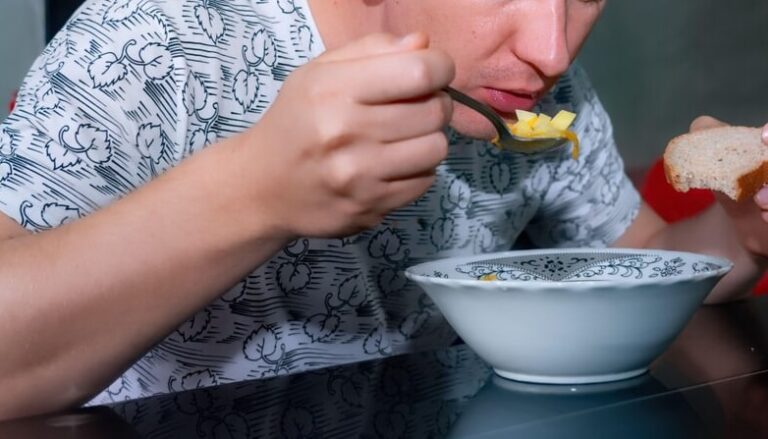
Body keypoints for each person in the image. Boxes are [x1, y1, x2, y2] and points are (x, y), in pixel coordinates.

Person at [0, 0, 765, 421]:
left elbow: (644, 252)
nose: (553, 49)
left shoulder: (541, 92)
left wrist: (745, 231)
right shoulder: (155, 40)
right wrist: (253, 189)